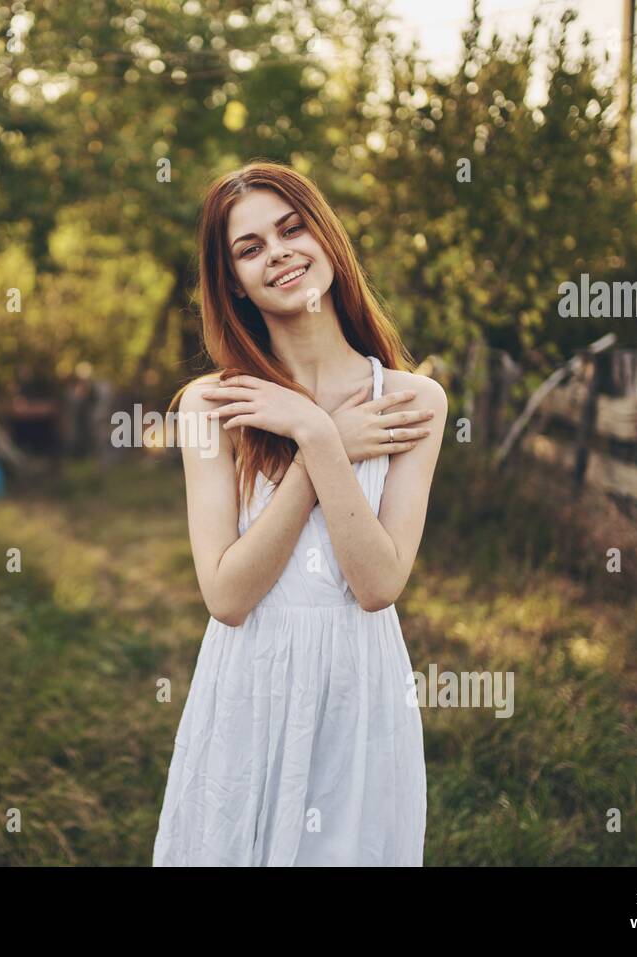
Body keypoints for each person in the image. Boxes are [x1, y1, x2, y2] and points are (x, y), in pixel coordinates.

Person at [152, 160, 447, 866]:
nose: (278, 253)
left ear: (326, 237)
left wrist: (314, 435)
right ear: (231, 281)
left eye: (291, 228)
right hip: (250, 680)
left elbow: (378, 584)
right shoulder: (211, 407)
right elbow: (227, 594)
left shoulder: (413, 402)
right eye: (249, 248)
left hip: (358, 688)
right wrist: (324, 448)